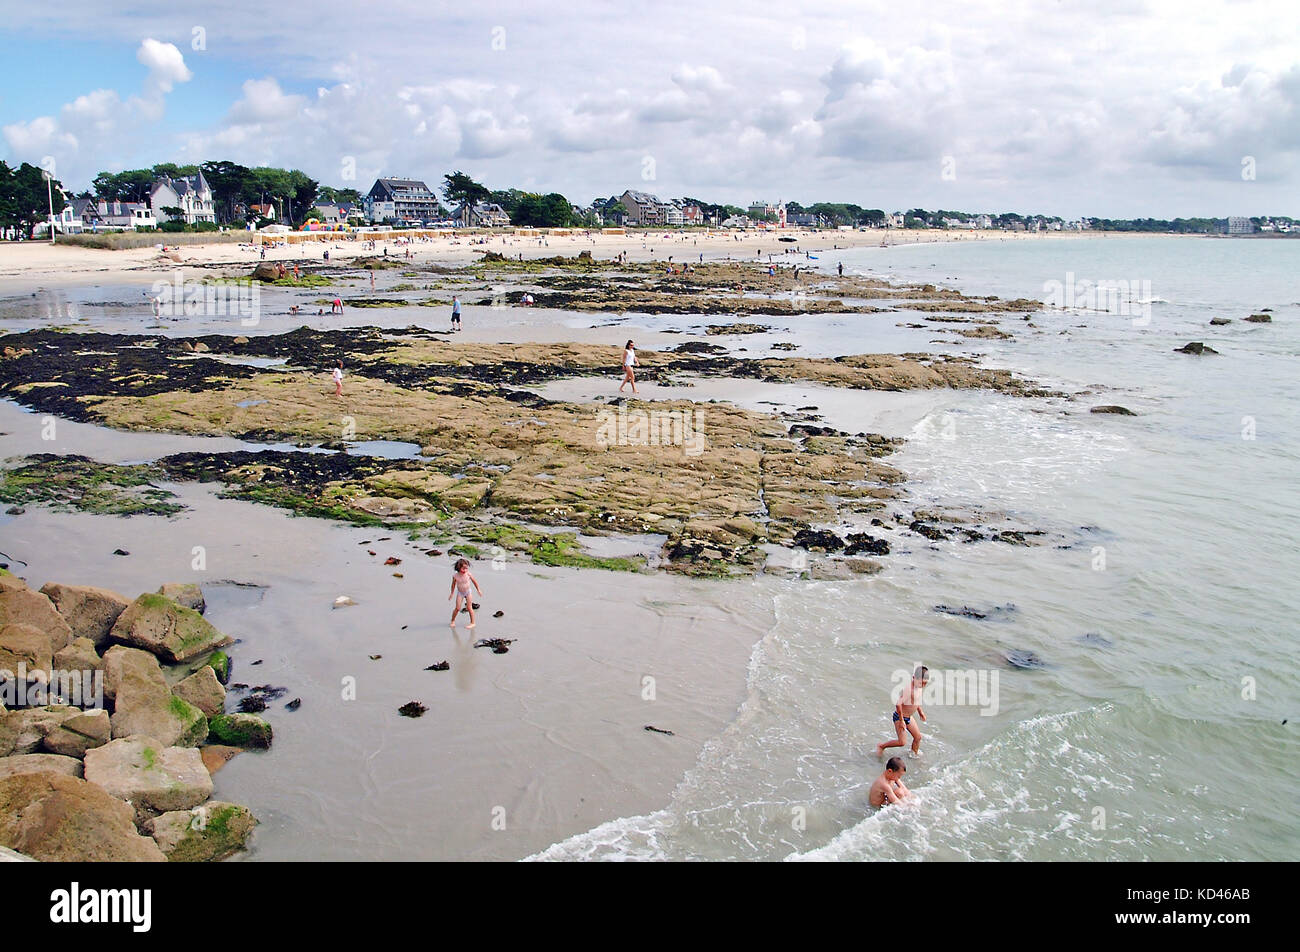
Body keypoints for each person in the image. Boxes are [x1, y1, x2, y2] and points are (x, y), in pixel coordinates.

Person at [876, 665, 929, 759]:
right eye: (921, 683)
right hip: (900, 717)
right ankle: (881, 746)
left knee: (918, 737)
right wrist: (901, 721)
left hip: (909, 717)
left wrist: (920, 712)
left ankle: (914, 755)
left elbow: (916, 701)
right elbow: (898, 704)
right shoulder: (909, 690)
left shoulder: (919, 688)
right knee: (902, 742)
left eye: (925, 683)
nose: (922, 685)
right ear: (914, 678)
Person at [448, 558, 482, 628]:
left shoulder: (468, 574)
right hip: (460, 593)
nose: (465, 570)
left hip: (468, 592)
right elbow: (453, 585)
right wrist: (451, 593)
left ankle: (473, 623)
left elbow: (474, 581)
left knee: (469, 607)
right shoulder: (455, 576)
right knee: (457, 608)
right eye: (463, 568)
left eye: (466, 568)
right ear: (458, 568)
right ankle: (452, 620)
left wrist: (478, 589)